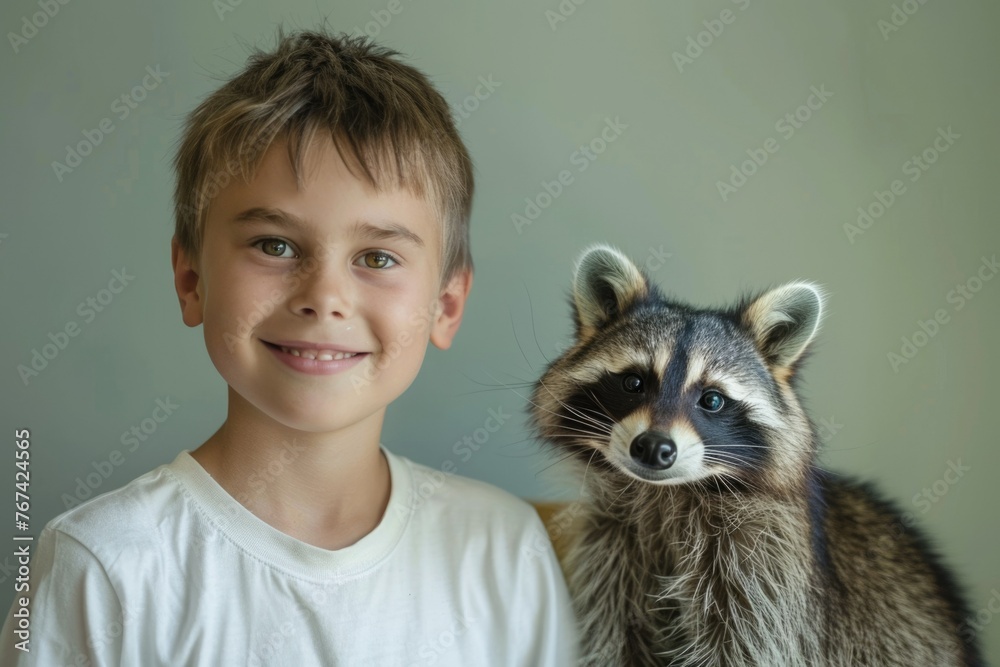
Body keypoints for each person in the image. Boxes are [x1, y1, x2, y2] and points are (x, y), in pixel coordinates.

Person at [0, 24, 578, 666]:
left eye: (377, 257)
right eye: (274, 246)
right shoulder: (103, 567)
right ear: (192, 281)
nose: (324, 297)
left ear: (445, 305)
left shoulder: (505, 552)